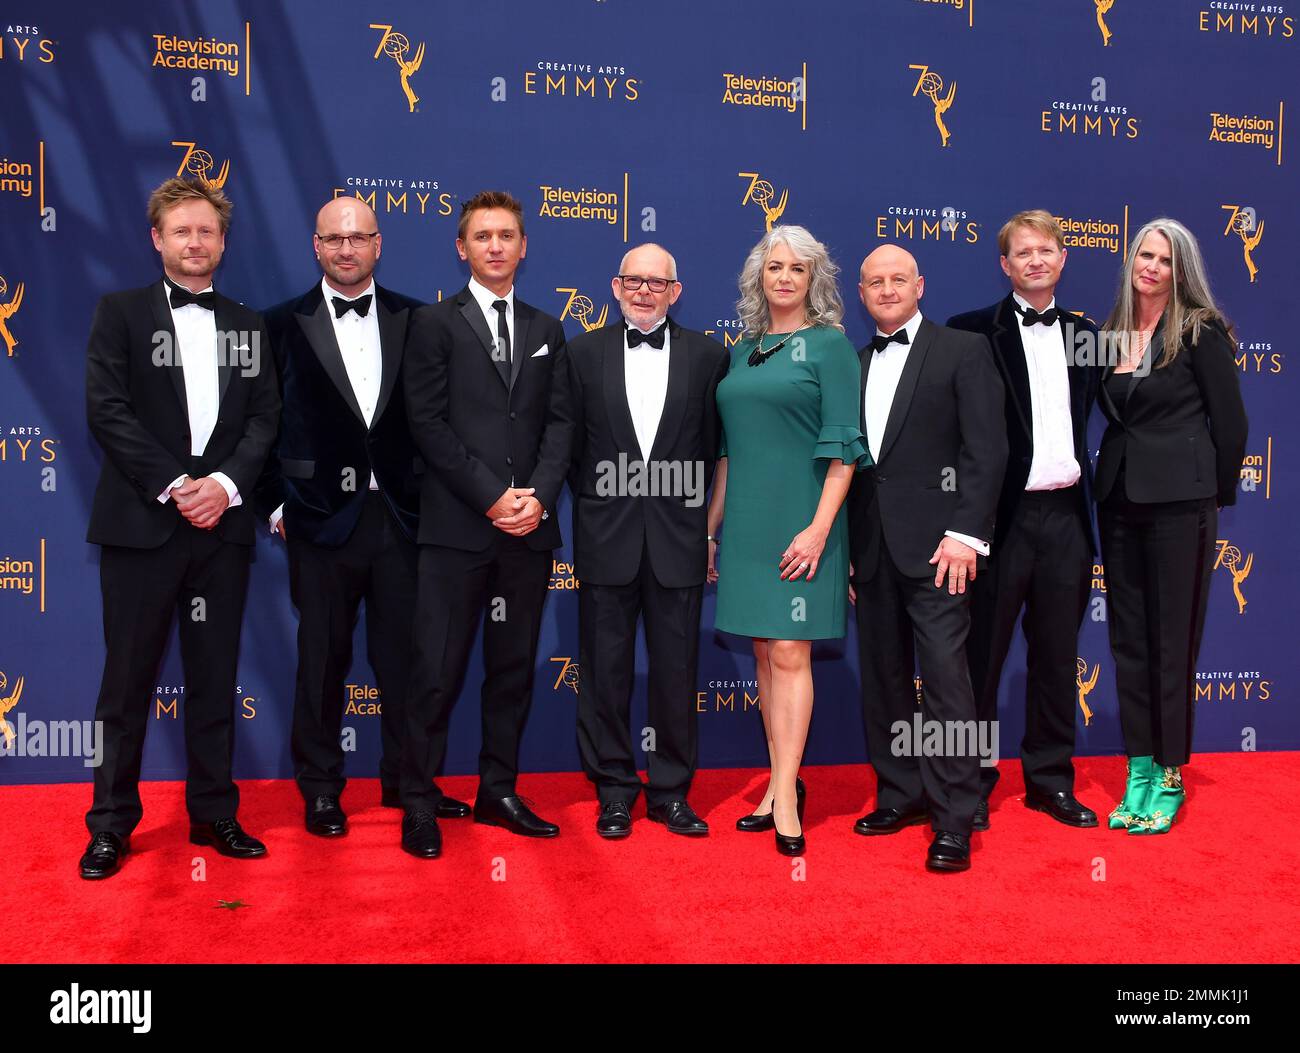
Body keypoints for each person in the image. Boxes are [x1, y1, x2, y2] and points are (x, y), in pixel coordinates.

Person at [79, 177, 280, 879]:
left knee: (214, 679)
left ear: (223, 242)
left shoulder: (250, 326)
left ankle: (215, 813)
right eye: (182, 231)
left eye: (207, 231)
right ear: (156, 239)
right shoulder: (121, 313)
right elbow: (107, 411)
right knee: (125, 685)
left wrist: (223, 488)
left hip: (220, 531)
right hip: (143, 526)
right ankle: (109, 825)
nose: (196, 242)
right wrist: (176, 486)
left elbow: (264, 421)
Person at [256, 197, 469, 838]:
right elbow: (258, 425)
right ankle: (321, 789)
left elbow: (441, 421)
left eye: (358, 238)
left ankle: (411, 787)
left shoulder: (420, 320)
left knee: (408, 662)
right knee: (321, 660)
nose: (346, 250)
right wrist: (273, 506)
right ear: (315, 247)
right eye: (333, 240)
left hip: (402, 518)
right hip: (319, 520)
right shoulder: (279, 324)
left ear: (379, 244)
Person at [399, 190, 573, 858]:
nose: (495, 245)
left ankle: (497, 791)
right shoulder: (433, 325)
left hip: (529, 535)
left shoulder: (547, 329)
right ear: (461, 247)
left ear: (524, 246)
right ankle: (418, 799)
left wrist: (539, 495)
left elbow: (561, 426)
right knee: (436, 671)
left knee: (512, 671)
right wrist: (491, 496)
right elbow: (428, 425)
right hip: (457, 531)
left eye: (506, 234)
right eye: (482, 235)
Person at [707, 225, 869, 857]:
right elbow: (725, 455)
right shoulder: (743, 349)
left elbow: (844, 448)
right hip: (746, 523)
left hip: (806, 519)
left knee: (792, 653)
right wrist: (711, 530)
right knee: (766, 657)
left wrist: (820, 529)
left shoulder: (830, 347)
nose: (783, 277)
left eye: (797, 269)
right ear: (757, 278)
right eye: (773, 267)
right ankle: (777, 788)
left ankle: (786, 799)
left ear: (814, 280)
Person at [848, 244, 1006, 873]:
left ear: (920, 285)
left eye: (897, 279)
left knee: (945, 684)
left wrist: (966, 534)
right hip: (872, 550)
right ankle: (901, 794)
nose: (886, 289)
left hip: (944, 551)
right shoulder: (852, 363)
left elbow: (986, 450)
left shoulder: (962, 351)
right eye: (874, 281)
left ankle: (955, 817)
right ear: (861, 293)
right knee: (884, 681)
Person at [567, 244, 728, 838]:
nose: (643, 291)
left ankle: (670, 792)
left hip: (678, 543)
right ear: (614, 286)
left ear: (676, 292)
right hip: (605, 539)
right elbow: (569, 451)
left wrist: (706, 530)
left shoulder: (710, 357)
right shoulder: (580, 354)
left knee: (676, 674)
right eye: (633, 281)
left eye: (656, 283)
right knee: (604, 673)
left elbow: (718, 454)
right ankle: (613, 790)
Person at [947, 210, 1101, 831]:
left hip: (1066, 515)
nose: (1036, 260)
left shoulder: (1088, 333)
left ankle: (1049, 780)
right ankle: (972, 782)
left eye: (1047, 250)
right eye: (1023, 253)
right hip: (997, 519)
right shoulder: (971, 332)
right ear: (1004, 265)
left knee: (1058, 656)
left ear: (1063, 259)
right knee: (979, 657)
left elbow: (1130, 402)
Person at [1095, 217, 1247, 834]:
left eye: (1163, 259)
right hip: (1119, 500)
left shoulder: (1200, 332)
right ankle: (1137, 769)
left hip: (1182, 506)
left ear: (1181, 270)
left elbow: (1231, 424)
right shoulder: (1108, 333)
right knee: (1128, 642)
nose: (1150, 267)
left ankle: (1171, 773)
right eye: (1143, 255)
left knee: (1170, 640)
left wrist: (1211, 493)